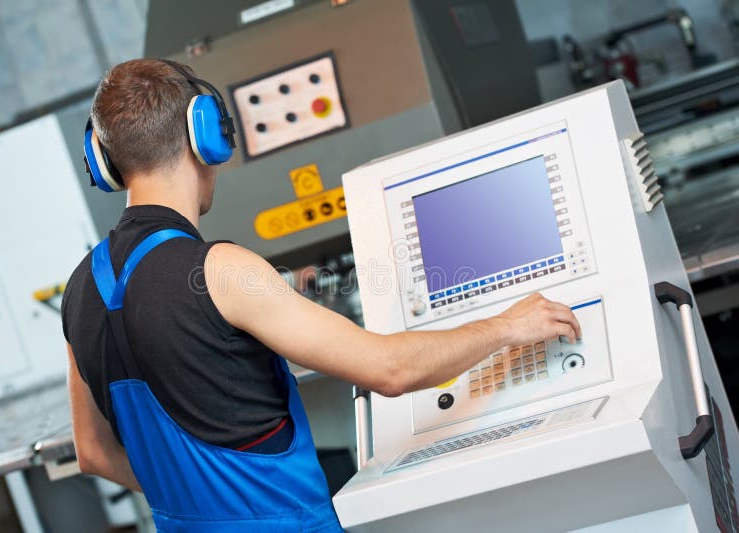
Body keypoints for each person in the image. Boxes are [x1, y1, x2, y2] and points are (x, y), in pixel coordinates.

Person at [62, 58, 582, 532]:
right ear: (204, 137)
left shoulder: (81, 287)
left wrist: (206, 501)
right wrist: (507, 326)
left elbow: (93, 453)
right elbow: (390, 370)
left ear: (105, 160)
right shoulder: (221, 270)